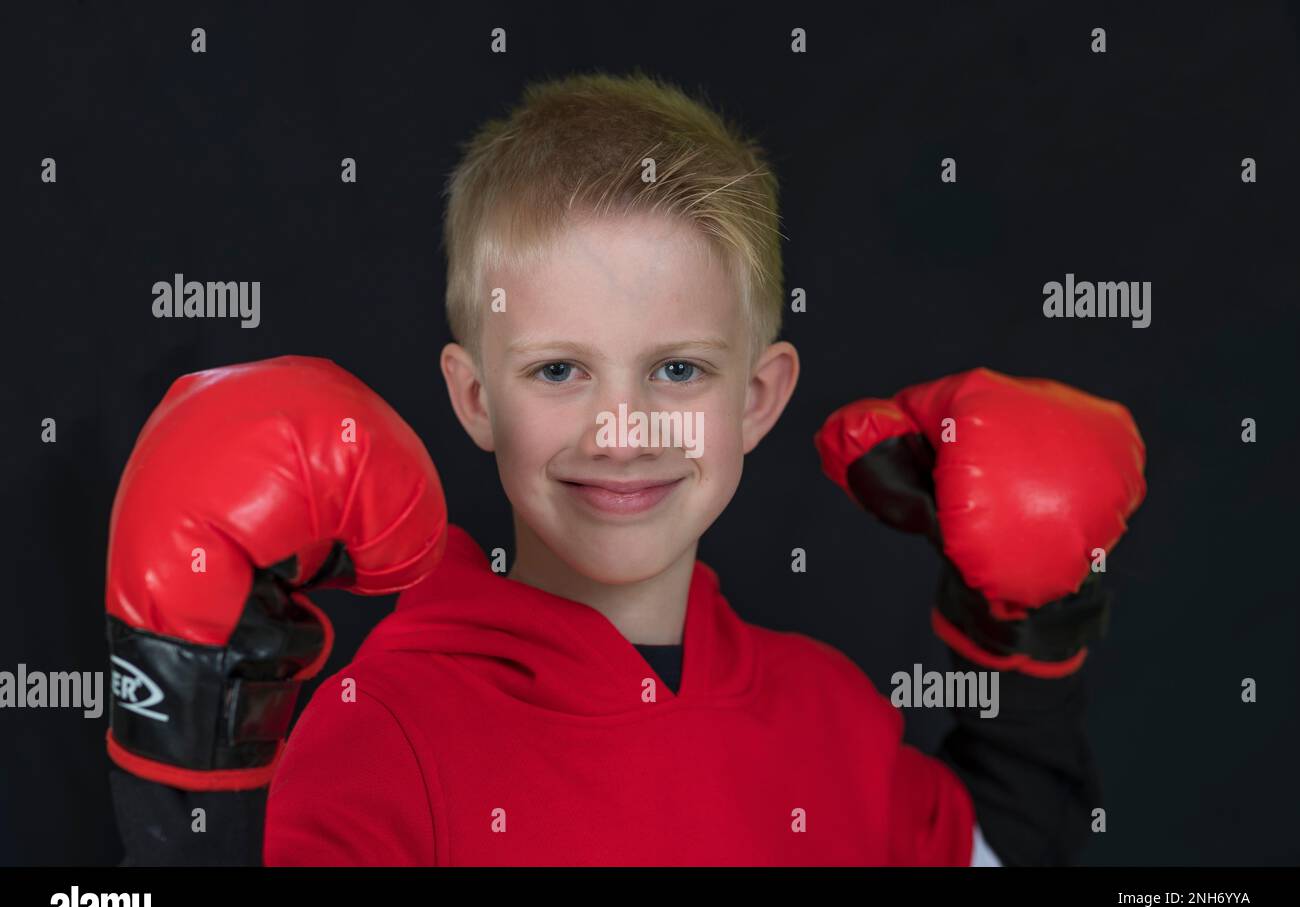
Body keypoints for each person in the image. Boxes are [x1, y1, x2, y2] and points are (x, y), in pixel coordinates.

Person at [105, 72, 1145, 866]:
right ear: (475, 397)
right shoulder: (379, 728)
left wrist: (1027, 644)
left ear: (757, 398)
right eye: (558, 368)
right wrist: (188, 769)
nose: (620, 428)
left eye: (677, 369)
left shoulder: (829, 711)